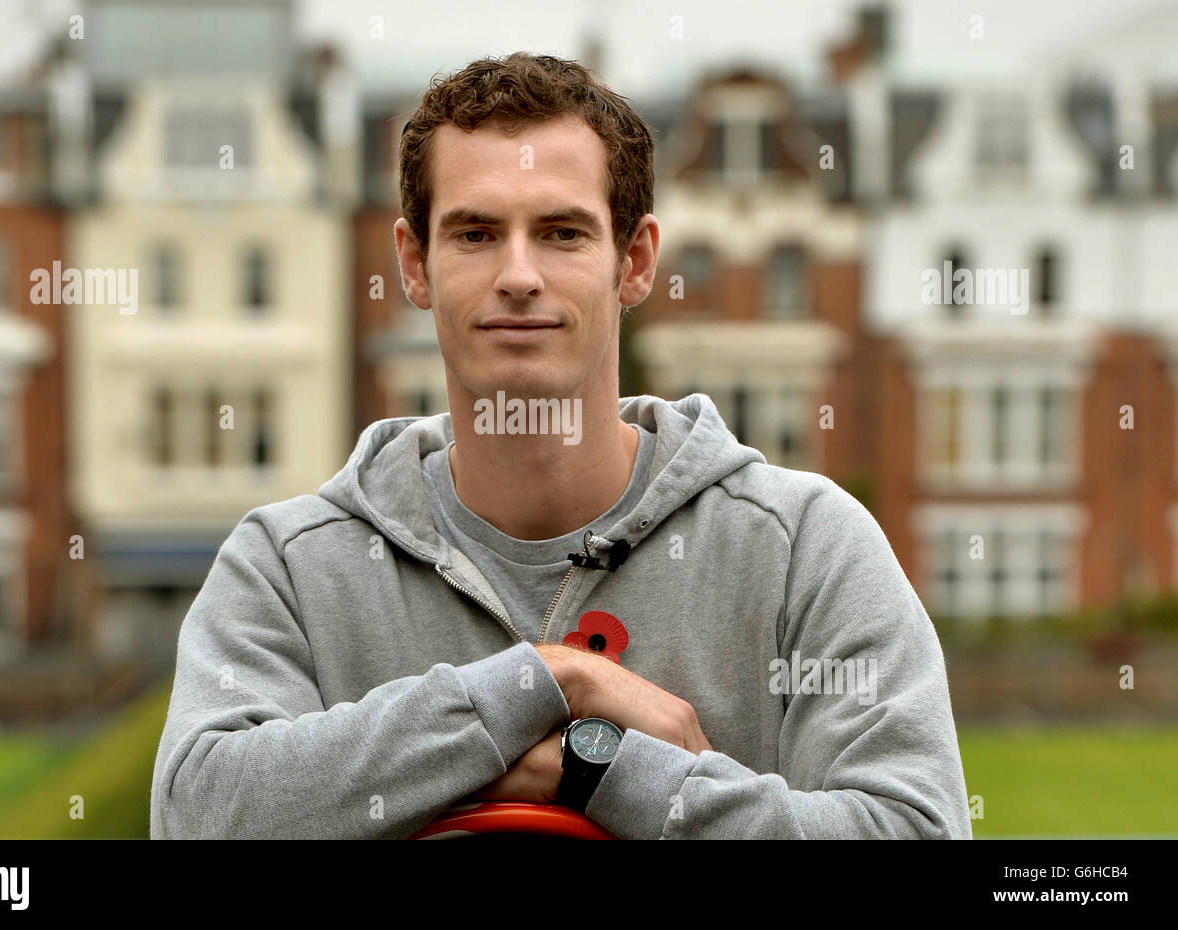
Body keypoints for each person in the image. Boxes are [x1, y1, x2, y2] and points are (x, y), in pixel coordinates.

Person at [149, 52, 971, 839]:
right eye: (474, 234)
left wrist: (592, 768)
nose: (518, 274)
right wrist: (556, 680)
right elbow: (198, 817)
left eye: (562, 233)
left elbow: (917, 831)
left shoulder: (805, 548)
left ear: (637, 261)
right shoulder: (288, 565)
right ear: (414, 263)